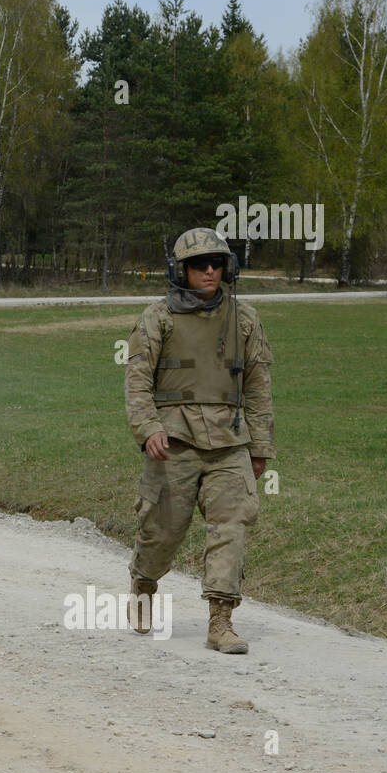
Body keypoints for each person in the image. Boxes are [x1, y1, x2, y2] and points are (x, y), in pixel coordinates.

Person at [123, 228, 275, 653]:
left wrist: (260, 447)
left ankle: (221, 621)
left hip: (229, 442)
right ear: (180, 270)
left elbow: (259, 386)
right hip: (173, 442)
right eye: (199, 264)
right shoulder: (157, 318)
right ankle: (143, 585)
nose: (210, 270)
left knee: (231, 526)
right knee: (162, 531)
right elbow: (137, 383)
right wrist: (149, 428)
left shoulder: (244, 319)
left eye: (217, 263)